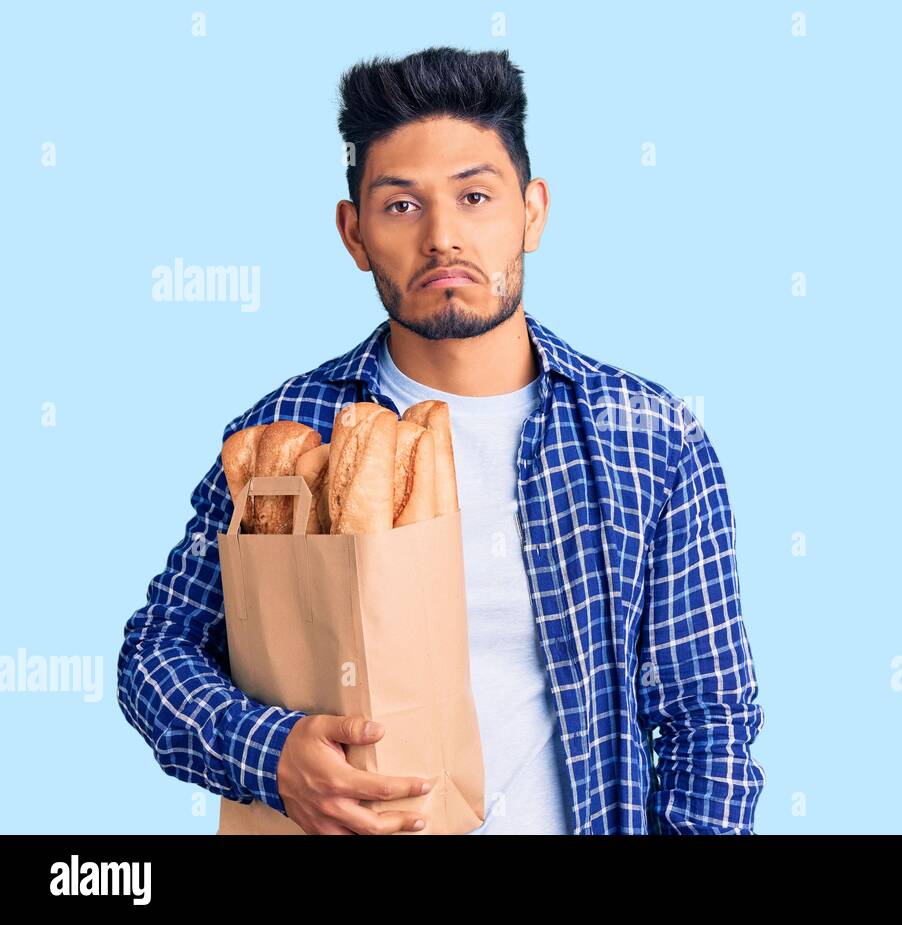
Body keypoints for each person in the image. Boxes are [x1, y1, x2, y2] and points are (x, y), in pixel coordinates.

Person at [116, 46, 764, 835]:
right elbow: (155, 655)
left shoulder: (651, 438)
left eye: (476, 197)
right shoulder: (280, 435)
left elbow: (710, 719)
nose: (443, 237)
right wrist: (272, 754)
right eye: (401, 206)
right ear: (353, 234)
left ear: (532, 212)